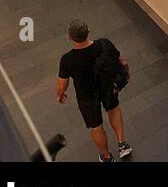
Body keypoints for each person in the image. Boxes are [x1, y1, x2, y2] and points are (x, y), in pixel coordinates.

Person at [56, 21, 132, 163]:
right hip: (108, 86)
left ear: (70, 37)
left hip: (86, 96)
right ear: (88, 31)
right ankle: (122, 145)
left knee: (96, 126)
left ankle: (106, 157)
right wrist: (126, 74)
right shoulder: (104, 44)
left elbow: (62, 83)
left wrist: (60, 94)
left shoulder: (67, 59)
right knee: (113, 109)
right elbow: (123, 62)